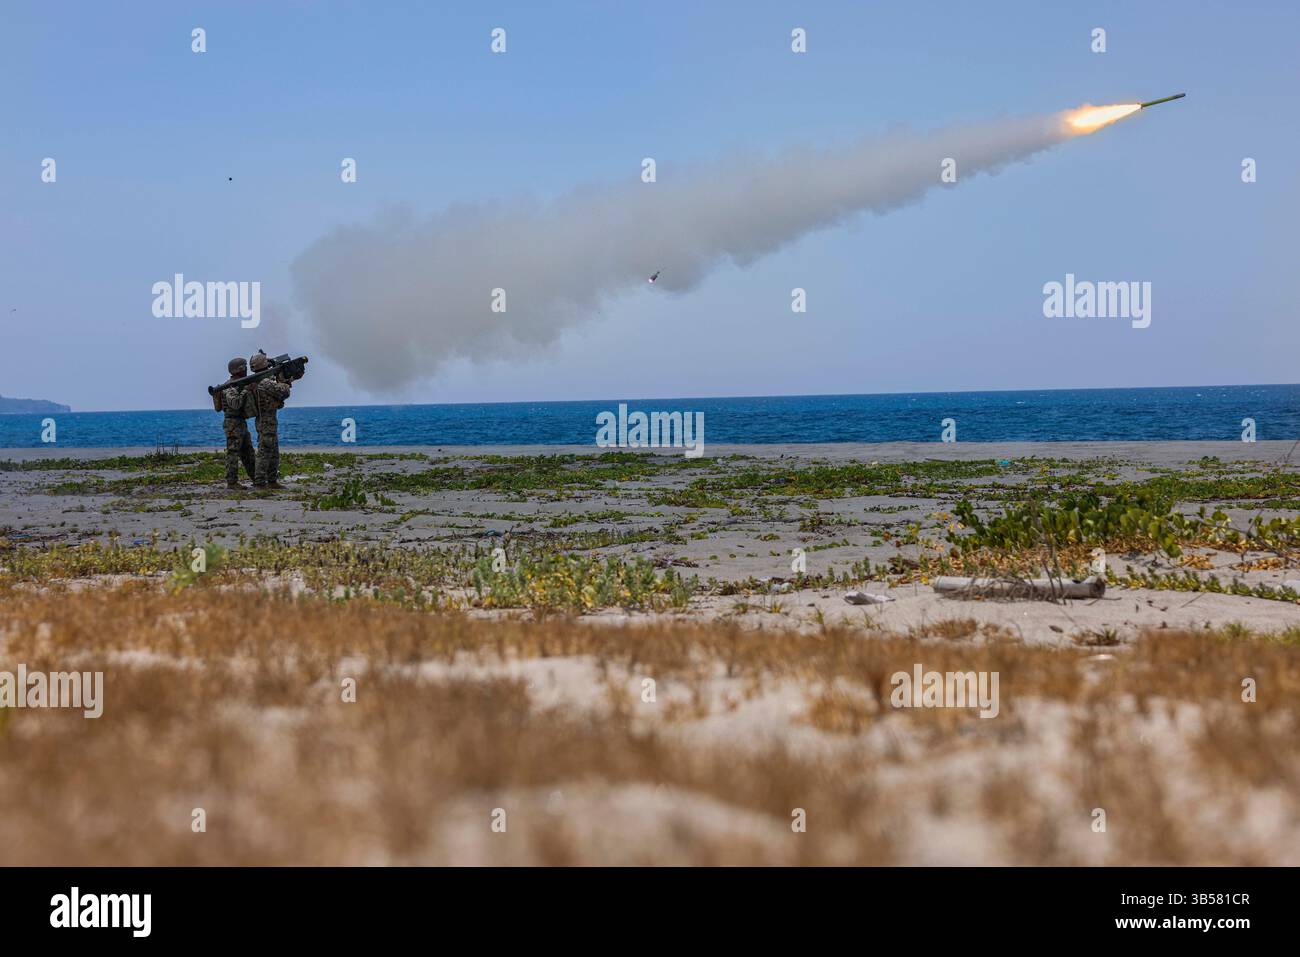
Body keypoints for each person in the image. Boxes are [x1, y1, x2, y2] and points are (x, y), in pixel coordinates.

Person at [250, 350, 292, 488]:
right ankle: (260, 482)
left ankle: (272, 480)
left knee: (273, 452)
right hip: (266, 422)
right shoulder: (264, 382)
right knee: (265, 452)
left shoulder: (255, 382)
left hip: (265, 421)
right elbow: (284, 392)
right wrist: (285, 380)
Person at [218, 357, 256, 489]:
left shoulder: (239, 383)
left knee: (248, 452)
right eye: (244, 367)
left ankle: (256, 478)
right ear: (240, 369)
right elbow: (235, 404)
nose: (246, 369)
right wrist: (246, 390)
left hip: (240, 422)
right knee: (233, 453)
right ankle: (232, 482)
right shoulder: (230, 386)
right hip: (232, 423)